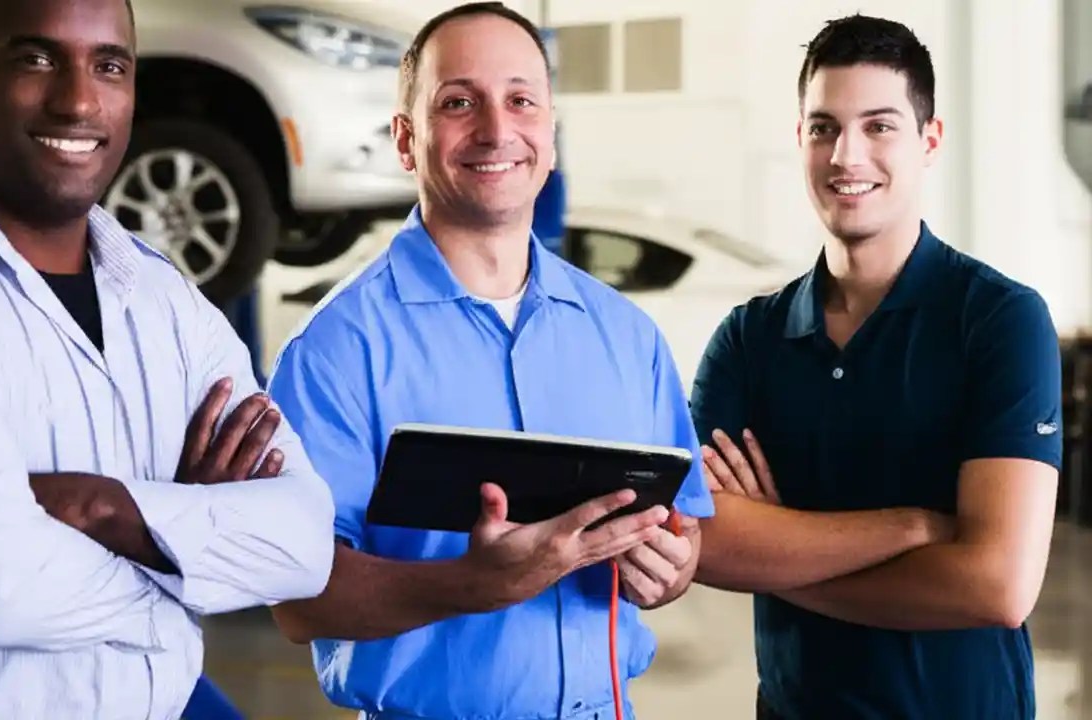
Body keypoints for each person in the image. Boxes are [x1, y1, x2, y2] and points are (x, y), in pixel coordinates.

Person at [0, 0, 334, 717]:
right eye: (36, 59)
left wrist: (105, 507)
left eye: (109, 66)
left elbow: (304, 544)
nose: (79, 101)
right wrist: (187, 552)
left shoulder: (168, 304)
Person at [263, 4, 715, 719]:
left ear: (551, 134)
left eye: (521, 100)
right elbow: (297, 601)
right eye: (458, 102)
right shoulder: (335, 349)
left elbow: (680, 532)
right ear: (406, 140)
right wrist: (469, 585)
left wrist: (671, 569)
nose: (497, 129)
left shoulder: (627, 336)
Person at [689, 14, 1062, 720]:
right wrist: (913, 527)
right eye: (824, 127)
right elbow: (699, 542)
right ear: (801, 138)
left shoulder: (998, 320)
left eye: (879, 126)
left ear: (930, 141)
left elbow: (997, 585)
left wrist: (777, 549)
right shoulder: (749, 339)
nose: (846, 155)